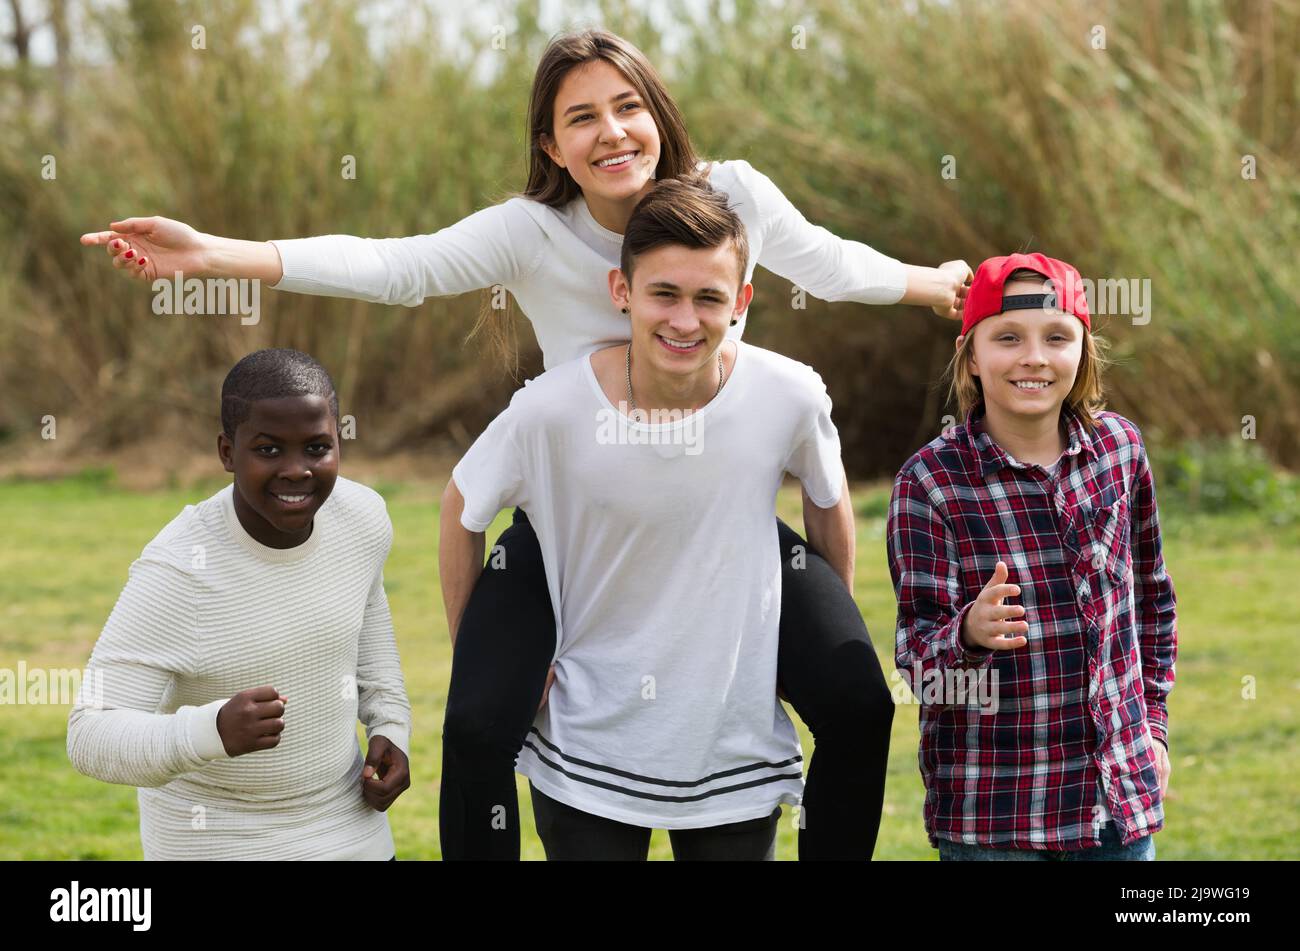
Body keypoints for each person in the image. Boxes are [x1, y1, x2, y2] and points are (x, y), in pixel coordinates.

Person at [81, 29, 970, 860]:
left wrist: (938, 286)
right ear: (551, 147)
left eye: (627, 105)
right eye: (580, 118)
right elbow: (398, 266)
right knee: (475, 722)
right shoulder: (533, 232)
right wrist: (214, 255)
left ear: (658, 113)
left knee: (857, 700)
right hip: (570, 526)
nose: (612, 131)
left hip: (717, 522)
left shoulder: (730, 196)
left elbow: (828, 263)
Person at [441, 177, 853, 860]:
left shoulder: (790, 396)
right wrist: (481, 659)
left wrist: (802, 649)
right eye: (664, 293)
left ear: (742, 300)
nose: (685, 320)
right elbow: (461, 505)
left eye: (709, 297)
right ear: (621, 292)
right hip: (587, 745)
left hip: (731, 743)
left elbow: (829, 500)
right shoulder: (550, 410)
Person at [66, 349, 413, 860]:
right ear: (228, 452)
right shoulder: (179, 569)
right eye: (269, 450)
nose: (297, 471)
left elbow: (367, 626)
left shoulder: (362, 519)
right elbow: (90, 735)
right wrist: (212, 731)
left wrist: (389, 724)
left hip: (347, 825)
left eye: (317, 447)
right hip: (216, 839)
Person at [887, 253, 1177, 860]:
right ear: (971, 354)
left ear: (1083, 351)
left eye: (1057, 337)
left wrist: (1153, 729)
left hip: (1115, 811)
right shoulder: (932, 484)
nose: (1034, 358)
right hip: (997, 818)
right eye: (1008, 337)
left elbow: (1153, 601)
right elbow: (917, 666)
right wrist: (968, 631)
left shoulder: (1120, 451)